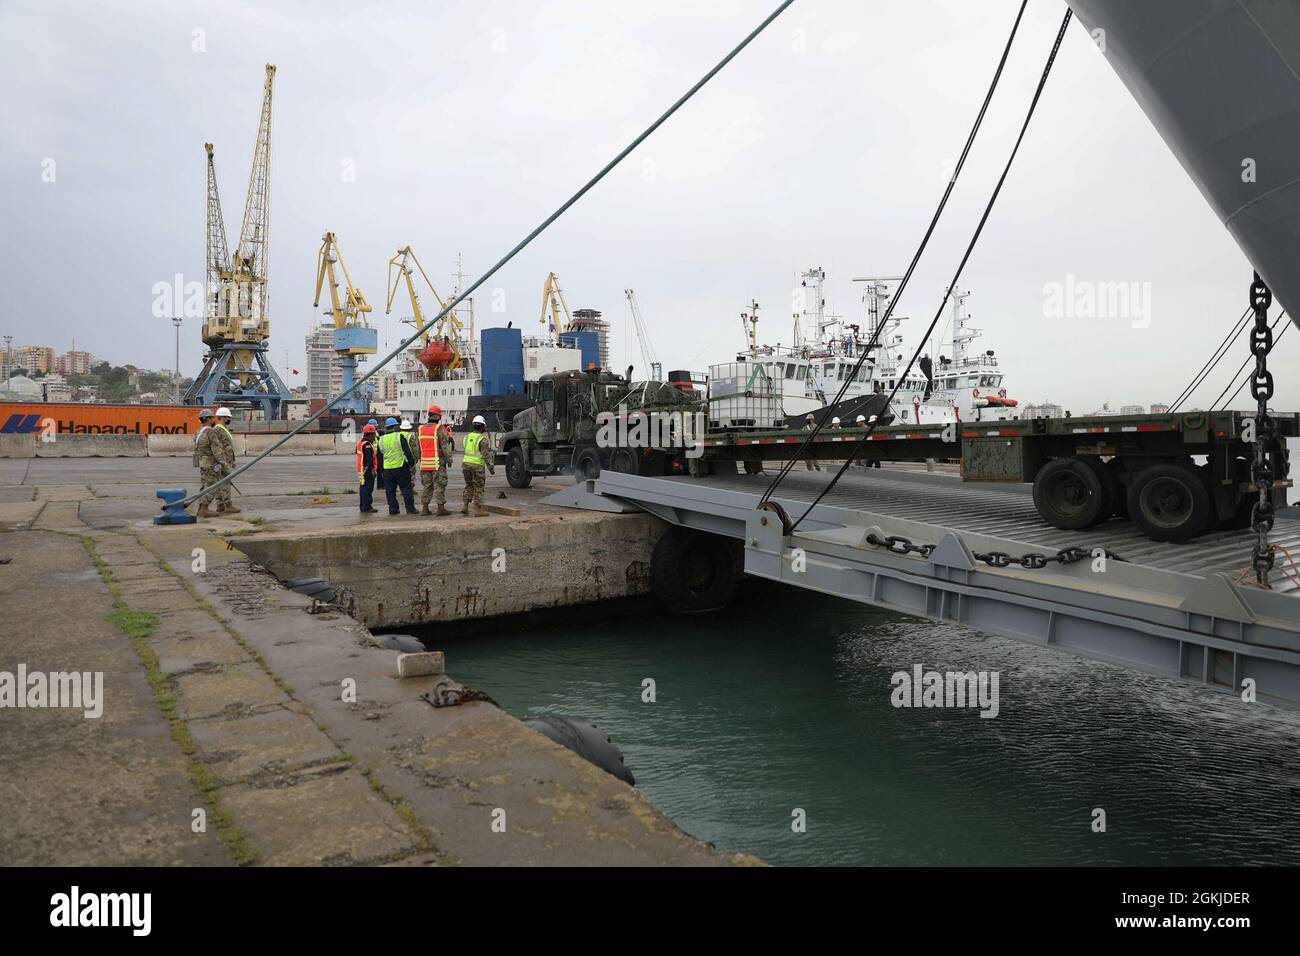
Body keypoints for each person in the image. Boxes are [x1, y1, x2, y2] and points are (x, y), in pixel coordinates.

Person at [195, 407, 238, 518]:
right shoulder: (210, 431)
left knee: (205, 486)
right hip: (211, 463)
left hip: (202, 461)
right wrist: (223, 464)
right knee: (212, 486)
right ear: (209, 419)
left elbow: (197, 449)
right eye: (211, 418)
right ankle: (204, 509)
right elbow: (216, 449)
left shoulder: (199, 431)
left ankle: (201, 509)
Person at [417, 404, 455, 516]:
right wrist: (449, 460)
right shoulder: (439, 429)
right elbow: (445, 446)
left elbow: (417, 447)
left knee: (427, 485)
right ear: (438, 417)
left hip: (424, 464)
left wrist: (419, 459)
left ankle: (424, 508)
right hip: (437, 463)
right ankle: (440, 508)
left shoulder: (420, 429)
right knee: (439, 485)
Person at [378, 417, 417, 515]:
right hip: (400, 467)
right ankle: (410, 509)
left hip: (387, 469)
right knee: (406, 489)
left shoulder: (381, 439)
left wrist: (381, 470)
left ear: (386, 427)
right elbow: (407, 452)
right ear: (395, 426)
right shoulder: (399, 436)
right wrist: (412, 464)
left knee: (390, 491)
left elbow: (379, 456)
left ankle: (393, 509)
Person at [461, 414, 495, 517]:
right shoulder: (483, 440)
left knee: (469, 485)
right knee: (479, 487)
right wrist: (491, 468)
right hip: (477, 467)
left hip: (466, 465)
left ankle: (465, 506)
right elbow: (486, 455)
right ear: (482, 426)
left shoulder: (466, 437)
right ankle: (479, 510)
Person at [356, 422, 379, 514]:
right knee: (368, 489)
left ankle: (363, 506)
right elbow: (369, 459)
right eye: (374, 434)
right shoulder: (367, 445)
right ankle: (367, 507)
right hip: (367, 469)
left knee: (363, 487)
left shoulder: (360, 443)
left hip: (361, 469)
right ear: (370, 434)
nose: (374, 436)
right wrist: (373, 470)